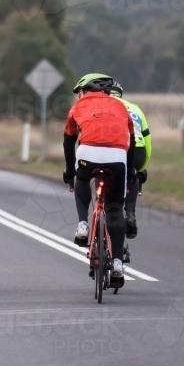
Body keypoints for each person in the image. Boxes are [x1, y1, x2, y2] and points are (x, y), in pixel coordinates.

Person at [62, 73, 135, 289]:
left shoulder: (78, 107)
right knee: (114, 210)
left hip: (88, 153)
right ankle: (119, 263)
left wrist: (70, 171)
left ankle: (83, 224)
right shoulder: (121, 107)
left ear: (85, 91)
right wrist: (130, 172)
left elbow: (68, 141)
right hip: (118, 158)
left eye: (80, 93)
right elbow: (131, 143)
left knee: (82, 178)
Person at [110, 81, 151, 239]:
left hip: (114, 148)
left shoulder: (104, 106)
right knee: (133, 173)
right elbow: (148, 144)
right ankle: (131, 214)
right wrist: (142, 169)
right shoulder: (135, 108)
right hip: (138, 150)